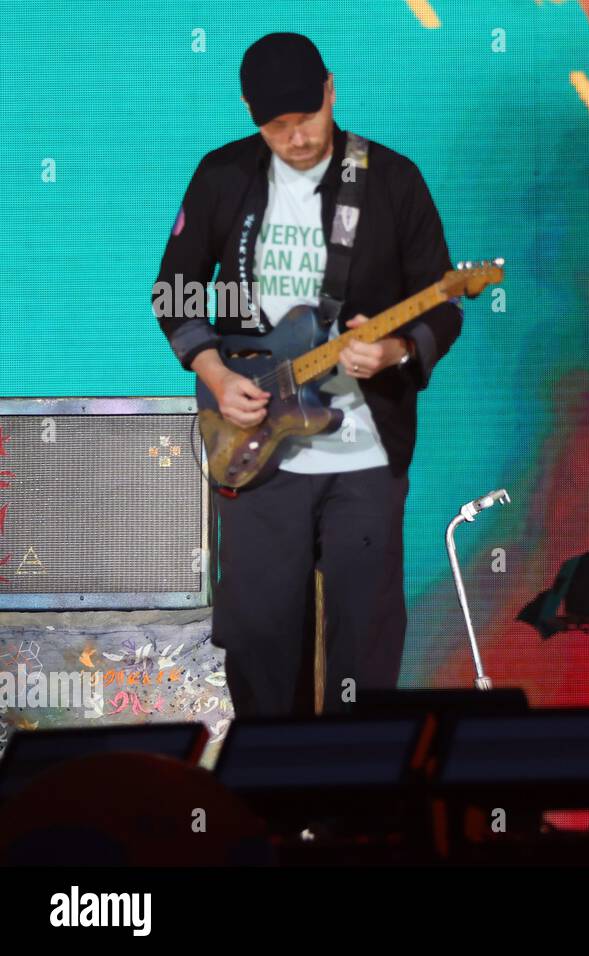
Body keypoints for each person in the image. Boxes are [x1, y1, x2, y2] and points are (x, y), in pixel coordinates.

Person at [152, 33, 462, 716]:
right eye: (275, 126)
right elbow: (173, 289)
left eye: (306, 119)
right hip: (258, 444)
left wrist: (396, 352)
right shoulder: (222, 175)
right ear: (249, 111)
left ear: (332, 89)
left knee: (366, 637)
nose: (293, 138)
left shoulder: (392, 179)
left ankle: (362, 801)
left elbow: (442, 309)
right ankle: (269, 800)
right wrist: (213, 371)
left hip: (366, 450)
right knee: (262, 638)